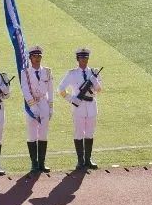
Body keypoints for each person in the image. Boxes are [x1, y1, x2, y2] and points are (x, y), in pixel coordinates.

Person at [58, 47, 102, 169]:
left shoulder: (94, 72)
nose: (84, 60)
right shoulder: (72, 73)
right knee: (79, 133)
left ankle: (88, 159)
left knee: (90, 133)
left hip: (91, 106)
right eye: (82, 58)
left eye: (86, 58)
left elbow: (99, 90)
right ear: (78, 59)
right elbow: (60, 89)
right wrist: (71, 99)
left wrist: (95, 82)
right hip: (78, 107)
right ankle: (80, 161)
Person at [19, 45, 53, 173]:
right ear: (30, 58)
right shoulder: (25, 73)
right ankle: (34, 163)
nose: (37, 58)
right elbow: (25, 90)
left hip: (44, 103)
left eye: (39, 56)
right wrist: (33, 107)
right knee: (32, 134)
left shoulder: (47, 71)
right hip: (31, 104)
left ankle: (42, 163)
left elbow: (50, 90)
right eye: (34, 56)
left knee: (43, 134)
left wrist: (51, 107)